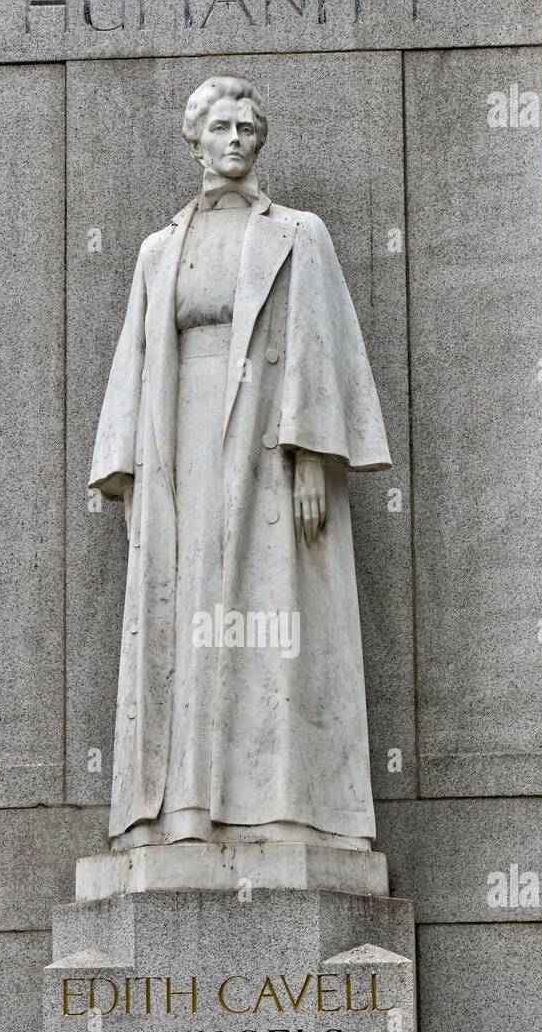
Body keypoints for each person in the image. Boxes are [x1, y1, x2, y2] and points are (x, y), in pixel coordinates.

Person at [90, 76, 391, 851]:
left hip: (268, 445)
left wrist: (317, 459)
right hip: (180, 450)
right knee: (181, 626)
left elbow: (323, 348)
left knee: (274, 618)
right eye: (220, 127)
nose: (233, 140)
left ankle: (289, 808)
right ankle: (178, 812)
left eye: (246, 130)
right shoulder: (160, 249)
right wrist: (126, 472)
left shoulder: (300, 233)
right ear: (194, 138)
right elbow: (135, 360)